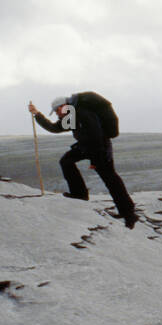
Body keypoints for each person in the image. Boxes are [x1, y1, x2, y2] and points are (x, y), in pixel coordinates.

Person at [29, 95, 139, 229]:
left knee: (110, 178)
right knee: (66, 161)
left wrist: (95, 160)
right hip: (85, 146)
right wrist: (37, 114)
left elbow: (96, 135)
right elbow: (54, 128)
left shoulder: (83, 113)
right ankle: (79, 194)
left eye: (57, 111)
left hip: (100, 147)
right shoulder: (72, 115)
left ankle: (128, 214)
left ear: (63, 106)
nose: (57, 114)